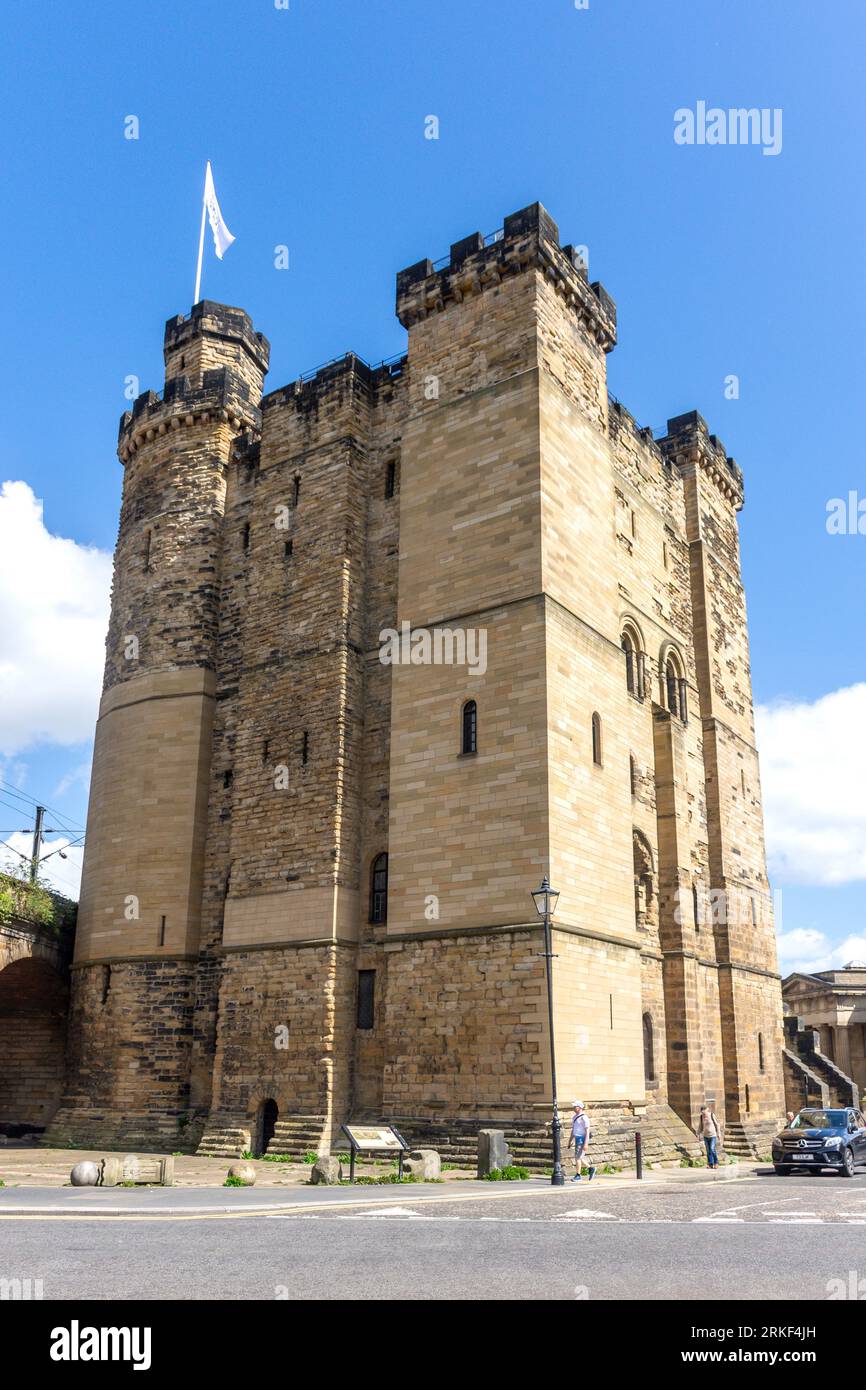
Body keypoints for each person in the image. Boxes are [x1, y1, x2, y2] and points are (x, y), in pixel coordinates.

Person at [567, 1101, 596, 1182]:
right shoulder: (575, 1117)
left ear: (579, 1107)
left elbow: (587, 1131)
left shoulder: (584, 1117)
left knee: (578, 1158)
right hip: (577, 1138)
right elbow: (573, 1130)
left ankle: (578, 1175)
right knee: (578, 1157)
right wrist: (570, 1141)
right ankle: (591, 1168)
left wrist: (586, 1143)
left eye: (575, 1106)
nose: (573, 1108)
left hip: (582, 1139)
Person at [696, 1104, 723, 1171]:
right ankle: (710, 1164)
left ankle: (716, 1162)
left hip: (713, 1135)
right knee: (708, 1151)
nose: (703, 1113)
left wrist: (718, 1134)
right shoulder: (701, 1117)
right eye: (702, 1112)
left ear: (707, 1110)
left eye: (704, 1112)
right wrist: (698, 1133)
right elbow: (700, 1126)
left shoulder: (711, 1115)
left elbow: (717, 1125)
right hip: (705, 1136)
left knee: (712, 1149)